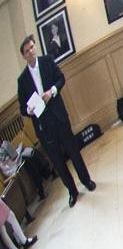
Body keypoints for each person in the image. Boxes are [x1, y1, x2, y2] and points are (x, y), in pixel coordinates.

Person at [16, 35, 96, 208]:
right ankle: (72, 192)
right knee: (58, 162)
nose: (30, 52)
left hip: (59, 117)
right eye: (26, 51)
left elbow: (61, 79)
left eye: (32, 48)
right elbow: (22, 108)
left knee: (73, 151)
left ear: (35, 47)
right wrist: (28, 111)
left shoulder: (46, 61)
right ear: (23, 56)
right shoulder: (22, 80)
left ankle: (86, 180)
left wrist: (51, 92)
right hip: (43, 126)